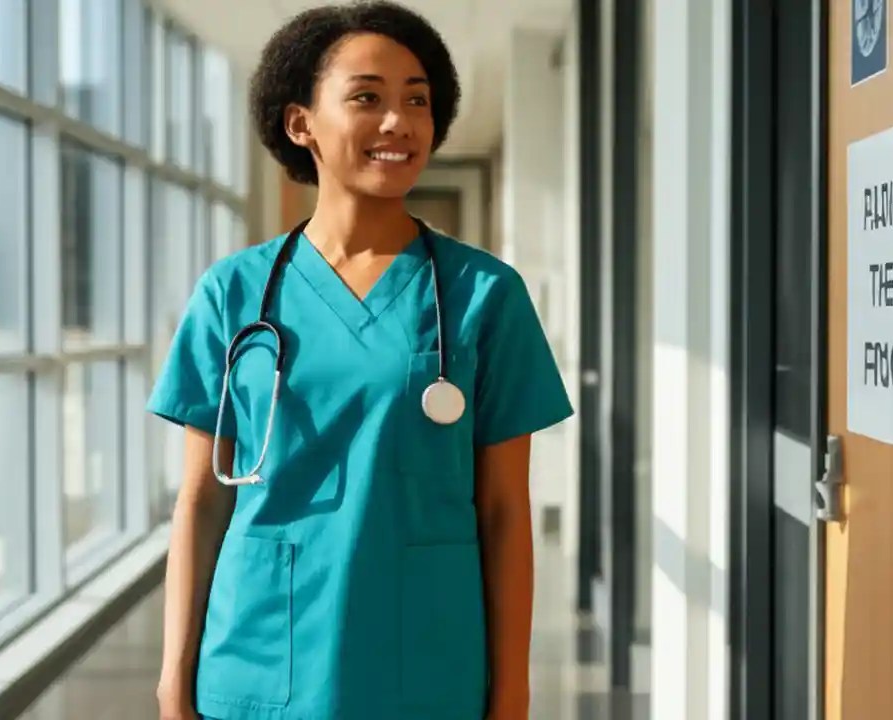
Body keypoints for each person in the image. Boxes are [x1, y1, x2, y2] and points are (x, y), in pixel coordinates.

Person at [147, 3, 573, 718]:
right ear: (300, 123)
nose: (397, 122)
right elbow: (203, 499)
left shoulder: (483, 296)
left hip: (424, 665)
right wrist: (173, 679)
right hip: (257, 662)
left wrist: (512, 692)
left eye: (417, 100)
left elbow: (503, 511)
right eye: (366, 97)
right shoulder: (234, 293)